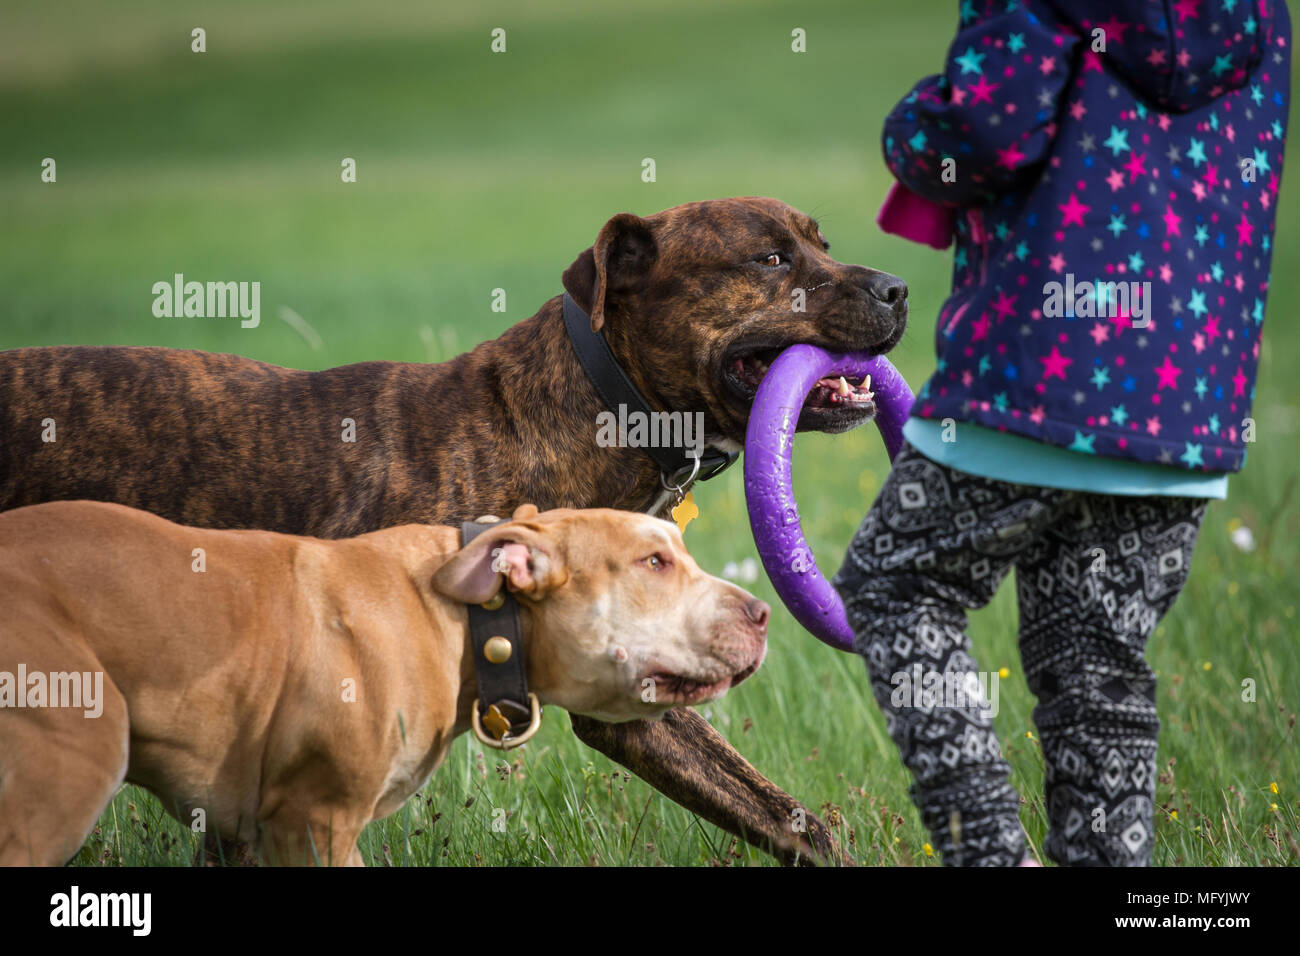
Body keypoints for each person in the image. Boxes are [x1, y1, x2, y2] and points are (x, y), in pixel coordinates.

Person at [833, 0, 1291, 865]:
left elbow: (987, 130)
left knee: (900, 585)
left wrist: (910, 133)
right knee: (1097, 661)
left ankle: (987, 853)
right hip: (1184, 399)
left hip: (1036, 374)